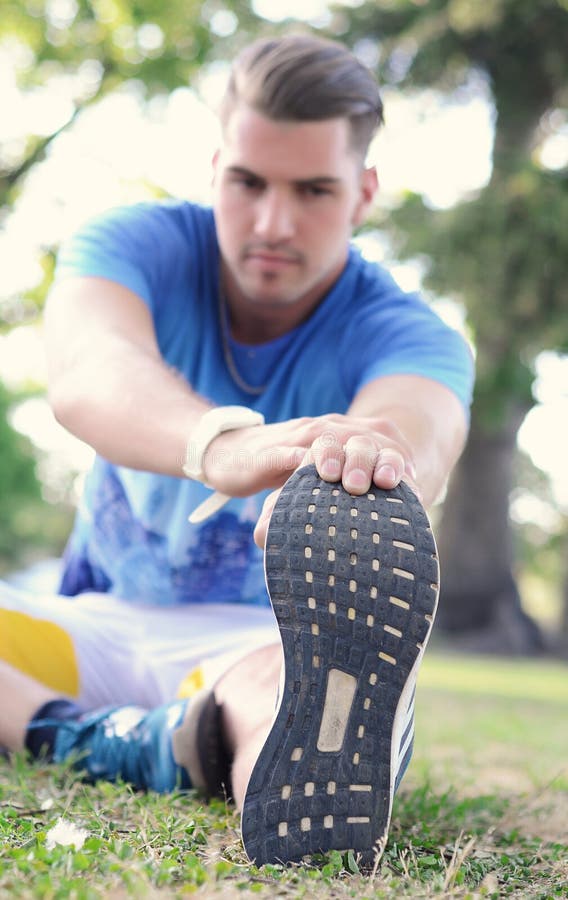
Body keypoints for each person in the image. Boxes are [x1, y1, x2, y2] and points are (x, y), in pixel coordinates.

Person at [0, 34, 473, 868]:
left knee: (297, 706)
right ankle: (101, 740)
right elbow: (88, 371)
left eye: (314, 190)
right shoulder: (132, 243)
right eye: (248, 182)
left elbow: (415, 428)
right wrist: (222, 443)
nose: (272, 223)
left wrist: (373, 456)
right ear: (216, 165)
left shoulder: (409, 332)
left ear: (363, 193)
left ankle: (278, 766)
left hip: (252, 652)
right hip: (90, 627)